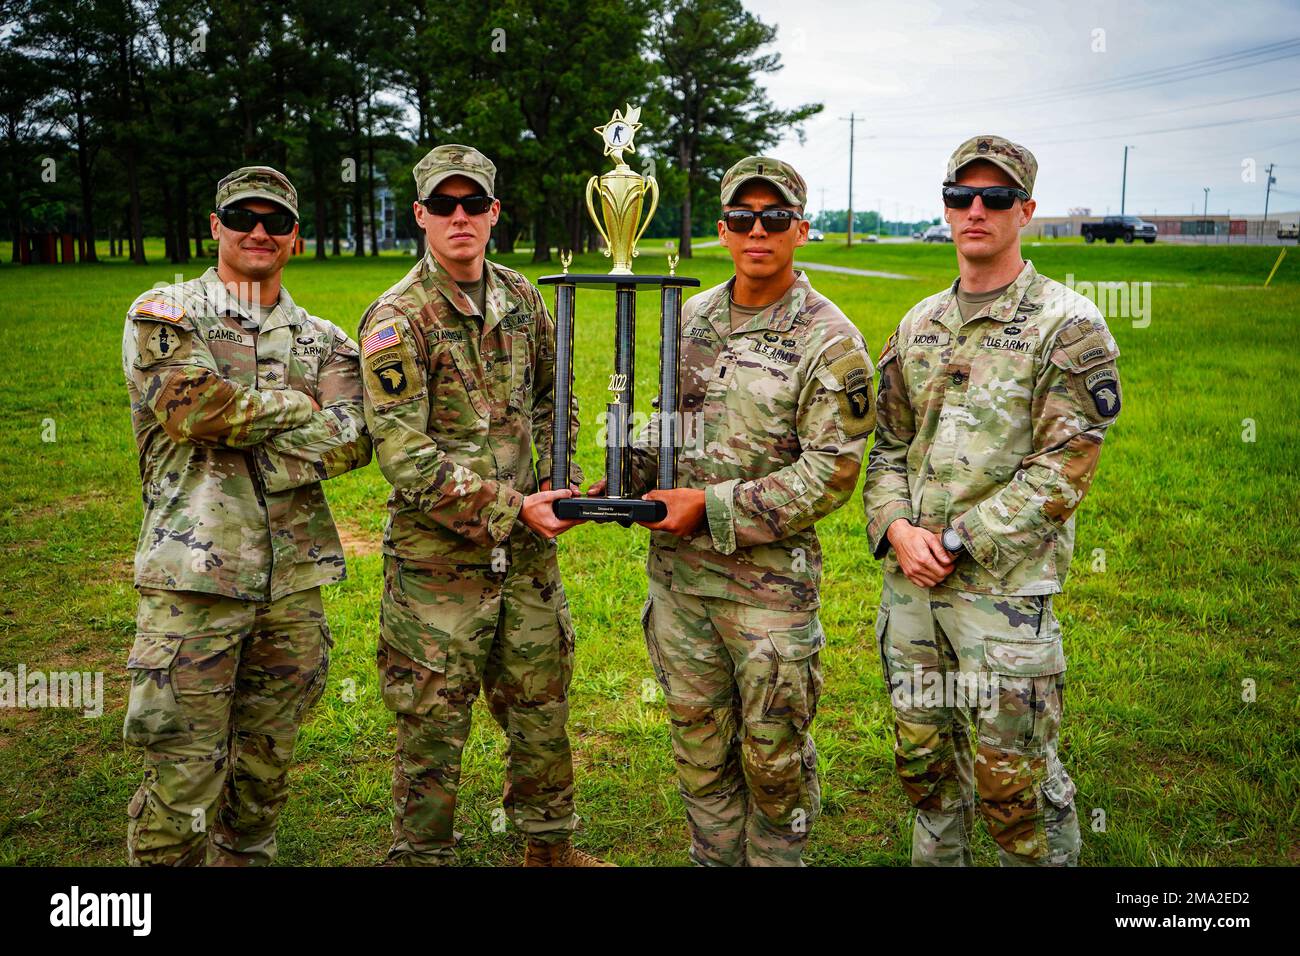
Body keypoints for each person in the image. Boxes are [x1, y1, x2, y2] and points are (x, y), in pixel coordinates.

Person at [864, 135, 1122, 866]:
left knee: (1017, 787)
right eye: (960, 197)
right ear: (945, 209)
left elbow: (1066, 464)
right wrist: (896, 528)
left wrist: (956, 540)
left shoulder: (1065, 326)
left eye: (996, 198)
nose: (975, 210)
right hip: (911, 591)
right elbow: (886, 447)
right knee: (924, 770)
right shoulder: (918, 324)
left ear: (1026, 211)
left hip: (1001, 598)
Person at [611, 156, 875, 866]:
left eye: (774, 218)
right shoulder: (690, 316)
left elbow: (833, 471)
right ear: (723, 231)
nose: (757, 231)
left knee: (772, 756)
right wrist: (613, 474)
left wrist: (712, 507)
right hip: (680, 585)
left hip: (767, 594)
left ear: (801, 230)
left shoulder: (832, 339)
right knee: (697, 744)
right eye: (741, 218)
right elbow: (668, 428)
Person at [357, 144, 608, 866]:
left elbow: (552, 399)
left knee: (540, 701)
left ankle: (548, 849)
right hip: (439, 564)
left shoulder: (524, 299)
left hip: (526, 554)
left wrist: (559, 475)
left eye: (473, 204)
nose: (459, 217)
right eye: (443, 205)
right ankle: (423, 854)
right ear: (421, 216)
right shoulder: (396, 319)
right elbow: (403, 457)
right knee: (432, 718)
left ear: (495, 213)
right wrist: (511, 505)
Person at [121, 165, 372, 865]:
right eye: (242, 218)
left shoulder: (322, 337)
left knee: (264, 773)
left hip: (291, 589)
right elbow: (195, 409)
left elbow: (357, 436)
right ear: (216, 227)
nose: (257, 232)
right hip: (191, 587)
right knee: (184, 776)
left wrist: (247, 437)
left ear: (294, 236)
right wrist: (297, 408)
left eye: (274, 221)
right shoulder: (165, 312)